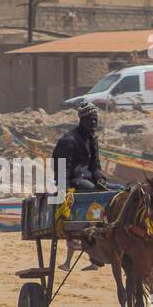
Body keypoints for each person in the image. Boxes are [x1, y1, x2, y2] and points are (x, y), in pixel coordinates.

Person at [51, 101, 112, 270]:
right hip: (75, 181)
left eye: (95, 120)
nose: (93, 123)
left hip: (90, 180)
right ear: (82, 120)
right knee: (97, 192)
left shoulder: (92, 140)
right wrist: (66, 189)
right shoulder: (68, 141)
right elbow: (62, 170)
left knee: (119, 190)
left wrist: (100, 178)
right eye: (90, 120)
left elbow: (96, 167)